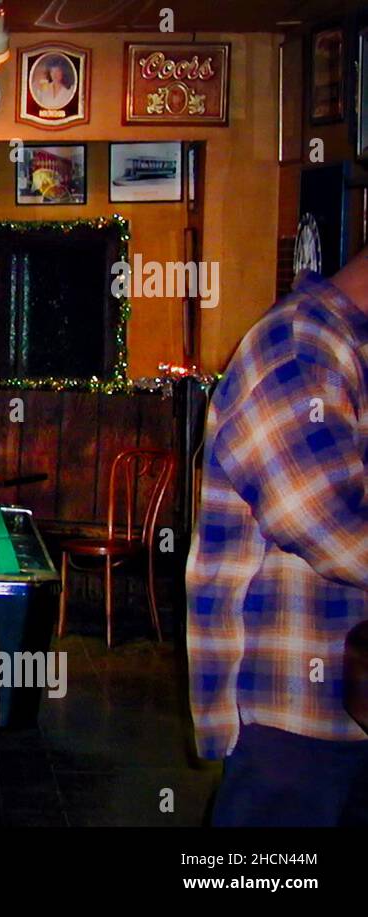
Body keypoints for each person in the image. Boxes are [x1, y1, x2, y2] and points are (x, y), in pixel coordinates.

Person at [186, 249, 368, 826]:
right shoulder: (299, 345)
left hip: (335, 702)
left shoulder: (341, 346)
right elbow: (325, 525)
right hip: (293, 705)